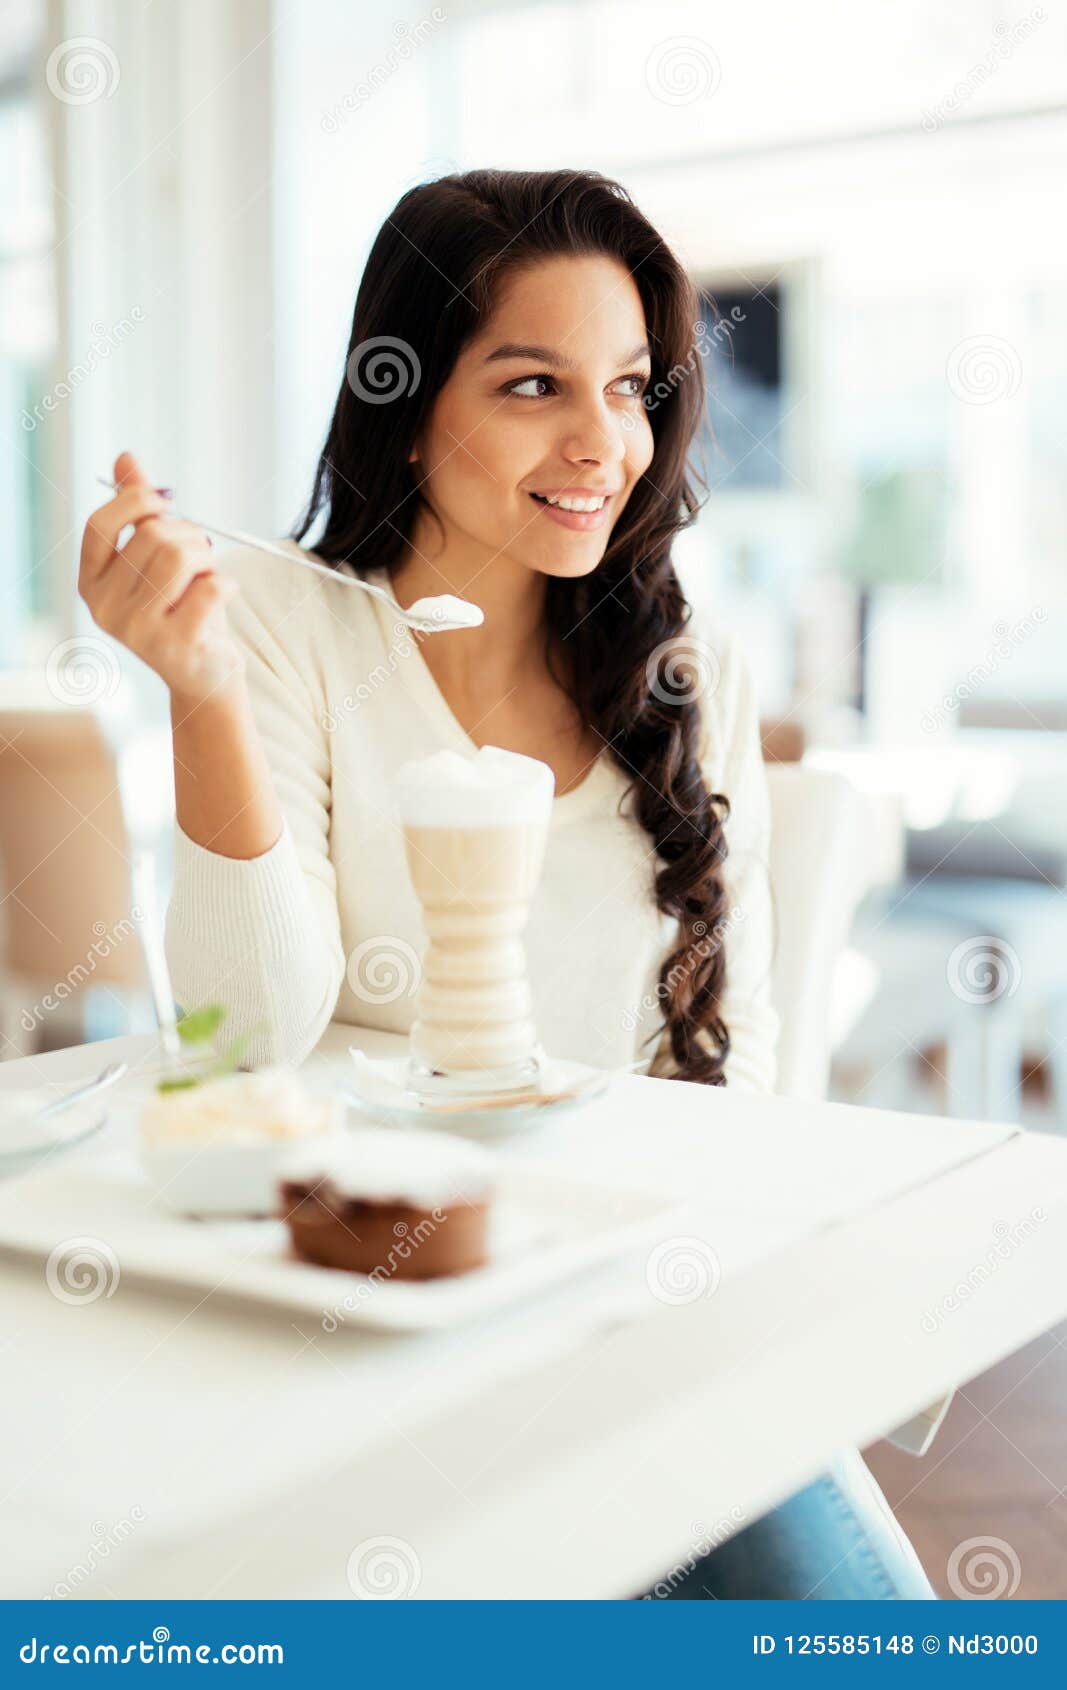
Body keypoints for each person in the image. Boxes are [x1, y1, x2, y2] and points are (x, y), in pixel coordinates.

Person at [79, 167, 934, 1599]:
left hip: (636, 1298)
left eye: (631, 386)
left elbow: (747, 1064)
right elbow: (249, 1026)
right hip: (367, 1304)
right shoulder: (279, 627)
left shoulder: (686, 665)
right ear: (409, 409)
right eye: (535, 384)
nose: (604, 438)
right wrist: (205, 696)